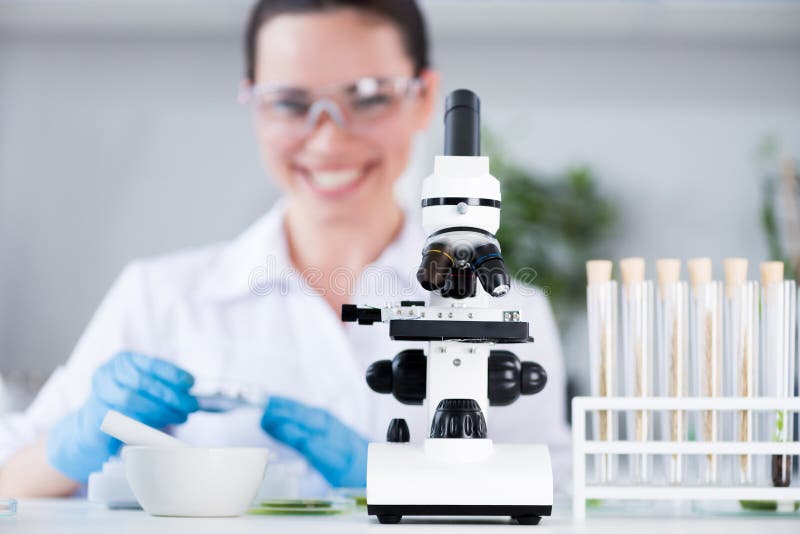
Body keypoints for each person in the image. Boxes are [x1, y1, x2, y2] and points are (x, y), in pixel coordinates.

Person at [0, 0, 571, 497]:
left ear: (424, 99)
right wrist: (71, 445)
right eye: (291, 102)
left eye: (369, 97)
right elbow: (7, 476)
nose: (328, 137)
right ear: (251, 103)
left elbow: (559, 496)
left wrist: (398, 478)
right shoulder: (160, 298)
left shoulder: (506, 315)